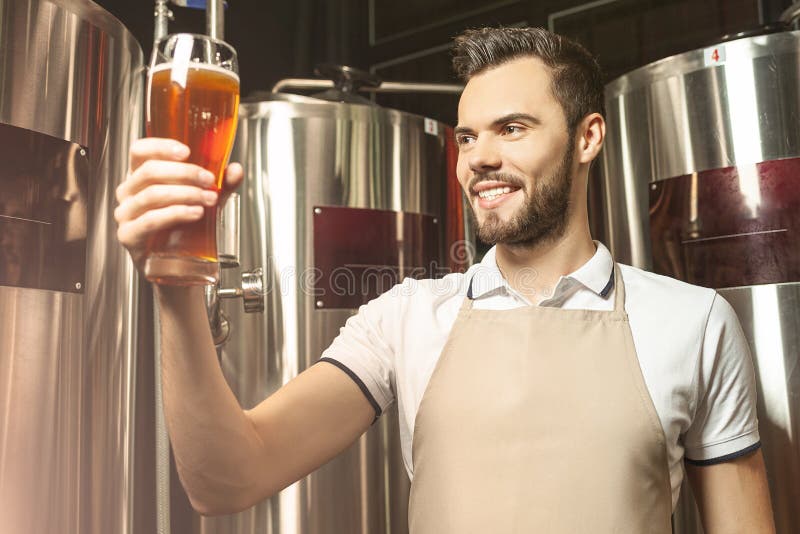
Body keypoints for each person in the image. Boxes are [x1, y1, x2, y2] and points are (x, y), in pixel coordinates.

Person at [115, 26, 775, 533]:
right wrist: (176, 289)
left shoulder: (694, 321)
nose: (480, 158)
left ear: (588, 138)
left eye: (512, 129)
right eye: (466, 137)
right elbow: (227, 478)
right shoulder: (403, 318)